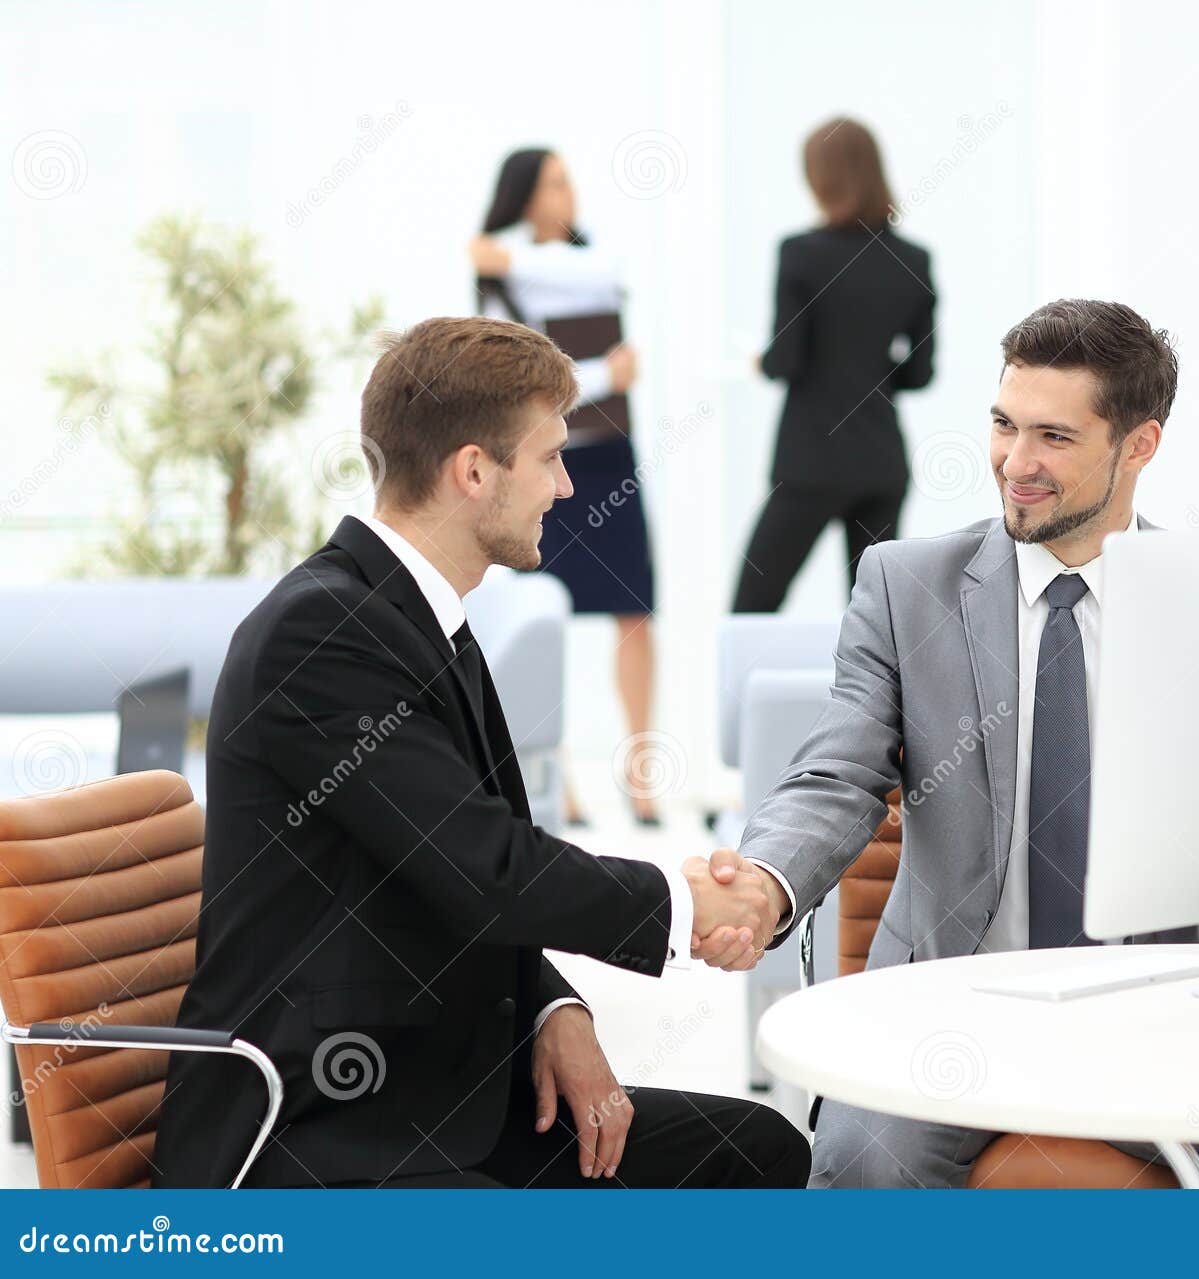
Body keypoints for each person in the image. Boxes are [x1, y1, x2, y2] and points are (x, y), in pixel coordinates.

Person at [153, 317, 805, 1189]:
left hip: (442, 1094)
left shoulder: (415, 616)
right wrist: (685, 908)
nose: (567, 487)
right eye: (549, 460)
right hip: (319, 1132)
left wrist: (553, 1008)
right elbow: (485, 868)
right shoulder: (320, 636)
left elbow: (442, 873)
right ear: (472, 471)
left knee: (756, 1152)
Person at [699, 299, 1199, 1190]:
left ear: (1140, 444)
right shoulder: (905, 586)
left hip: (1159, 1021)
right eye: (1003, 424)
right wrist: (766, 880)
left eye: (1054, 438)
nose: (1015, 464)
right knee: (860, 1165)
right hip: (951, 1012)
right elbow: (836, 774)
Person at [469, 148, 659, 826]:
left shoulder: (567, 260)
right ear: (523, 193)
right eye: (553, 182)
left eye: (569, 179)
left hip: (610, 452)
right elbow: (533, 381)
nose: (567, 193)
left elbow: (607, 275)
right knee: (546, 615)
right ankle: (557, 779)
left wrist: (517, 265)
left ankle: (642, 774)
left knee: (635, 609)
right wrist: (606, 375)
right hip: (546, 463)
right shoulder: (501, 266)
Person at [731, 118, 936, 612]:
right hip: (881, 462)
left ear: (819, 180)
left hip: (810, 461)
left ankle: (737, 695)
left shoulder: (801, 254)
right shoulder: (913, 259)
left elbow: (786, 361)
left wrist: (761, 362)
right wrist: (869, 365)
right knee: (875, 623)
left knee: (752, 607)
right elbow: (921, 373)